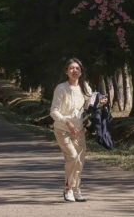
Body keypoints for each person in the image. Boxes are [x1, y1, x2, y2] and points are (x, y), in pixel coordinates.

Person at [49, 57, 107, 203]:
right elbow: (53, 111)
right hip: (63, 129)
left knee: (79, 161)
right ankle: (68, 189)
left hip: (79, 129)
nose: (74, 71)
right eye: (71, 68)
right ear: (66, 71)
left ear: (81, 72)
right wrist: (67, 122)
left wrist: (100, 102)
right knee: (73, 157)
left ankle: (77, 190)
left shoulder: (85, 87)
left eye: (77, 68)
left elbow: (89, 105)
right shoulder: (61, 88)